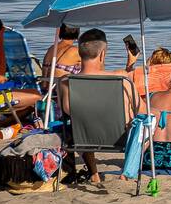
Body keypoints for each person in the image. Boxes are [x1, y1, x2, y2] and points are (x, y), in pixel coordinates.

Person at [58, 29, 138, 183]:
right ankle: (127, 171)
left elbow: (66, 112)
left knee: (82, 121)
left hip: (80, 138)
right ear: (102, 54)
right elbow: (140, 110)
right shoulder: (122, 79)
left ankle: (94, 173)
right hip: (120, 138)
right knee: (147, 122)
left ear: (80, 53)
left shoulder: (65, 82)